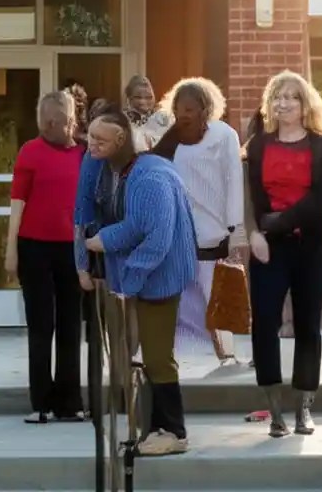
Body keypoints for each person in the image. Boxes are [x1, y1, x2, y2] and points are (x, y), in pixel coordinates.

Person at [82, 109, 197, 456]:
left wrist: (123, 273)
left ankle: (173, 432)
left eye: (99, 141)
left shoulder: (148, 178)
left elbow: (154, 238)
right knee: (152, 357)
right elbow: (137, 224)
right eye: (89, 138)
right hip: (149, 277)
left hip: (157, 279)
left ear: (121, 141)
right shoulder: (131, 170)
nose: (91, 146)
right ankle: (154, 429)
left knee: (159, 357)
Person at [244, 71, 322, 437]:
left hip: (311, 247)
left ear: (306, 103)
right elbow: (254, 196)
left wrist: (275, 222)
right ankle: (275, 411)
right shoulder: (258, 145)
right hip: (268, 247)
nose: (284, 103)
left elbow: (321, 202)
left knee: (306, 326)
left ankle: (304, 407)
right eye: (277, 96)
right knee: (264, 324)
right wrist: (256, 231)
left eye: (292, 97)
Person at [4, 91, 86, 424]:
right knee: (41, 326)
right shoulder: (30, 151)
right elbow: (17, 202)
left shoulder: (84, 154)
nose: (48, 125)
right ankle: (41, 403)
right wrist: (11, 250)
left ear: (68, 120)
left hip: (72, 249)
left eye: (54, 119)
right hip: (34, 247)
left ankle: (70, 403)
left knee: (70, 327)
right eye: (44, 120)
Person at [151, 78, 244, 364]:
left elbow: (233, 180)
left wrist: (235, 227)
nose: (185, 114)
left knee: (215, 294)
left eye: (191, 108)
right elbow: (152, 168)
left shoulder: (224, 135)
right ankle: (179, 354)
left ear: (206, 107)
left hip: (214, 230)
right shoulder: (173, 136)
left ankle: (226, 354)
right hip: (179, 228)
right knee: (181, 298)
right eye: (180, 109)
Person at [124, 75, 171, 148]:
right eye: (138, 97)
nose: (143, 102)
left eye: (149, 97)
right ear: (129, 98)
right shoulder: (121, 119)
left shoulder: (164, 118)